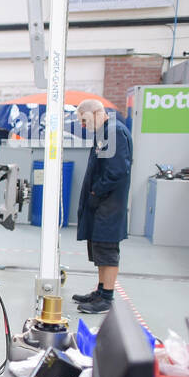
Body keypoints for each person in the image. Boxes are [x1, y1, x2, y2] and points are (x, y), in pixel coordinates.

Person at [72, 98, 133, 314]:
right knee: (100, 249)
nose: (83, 125)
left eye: (84, 119)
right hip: (102, 204)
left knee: (107, 250)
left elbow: (117, 171)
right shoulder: (105, 132)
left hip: (109, 205)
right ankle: (100, 291)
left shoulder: (114, 132)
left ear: (97, 112)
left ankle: (106, 298)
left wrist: (97, 190)